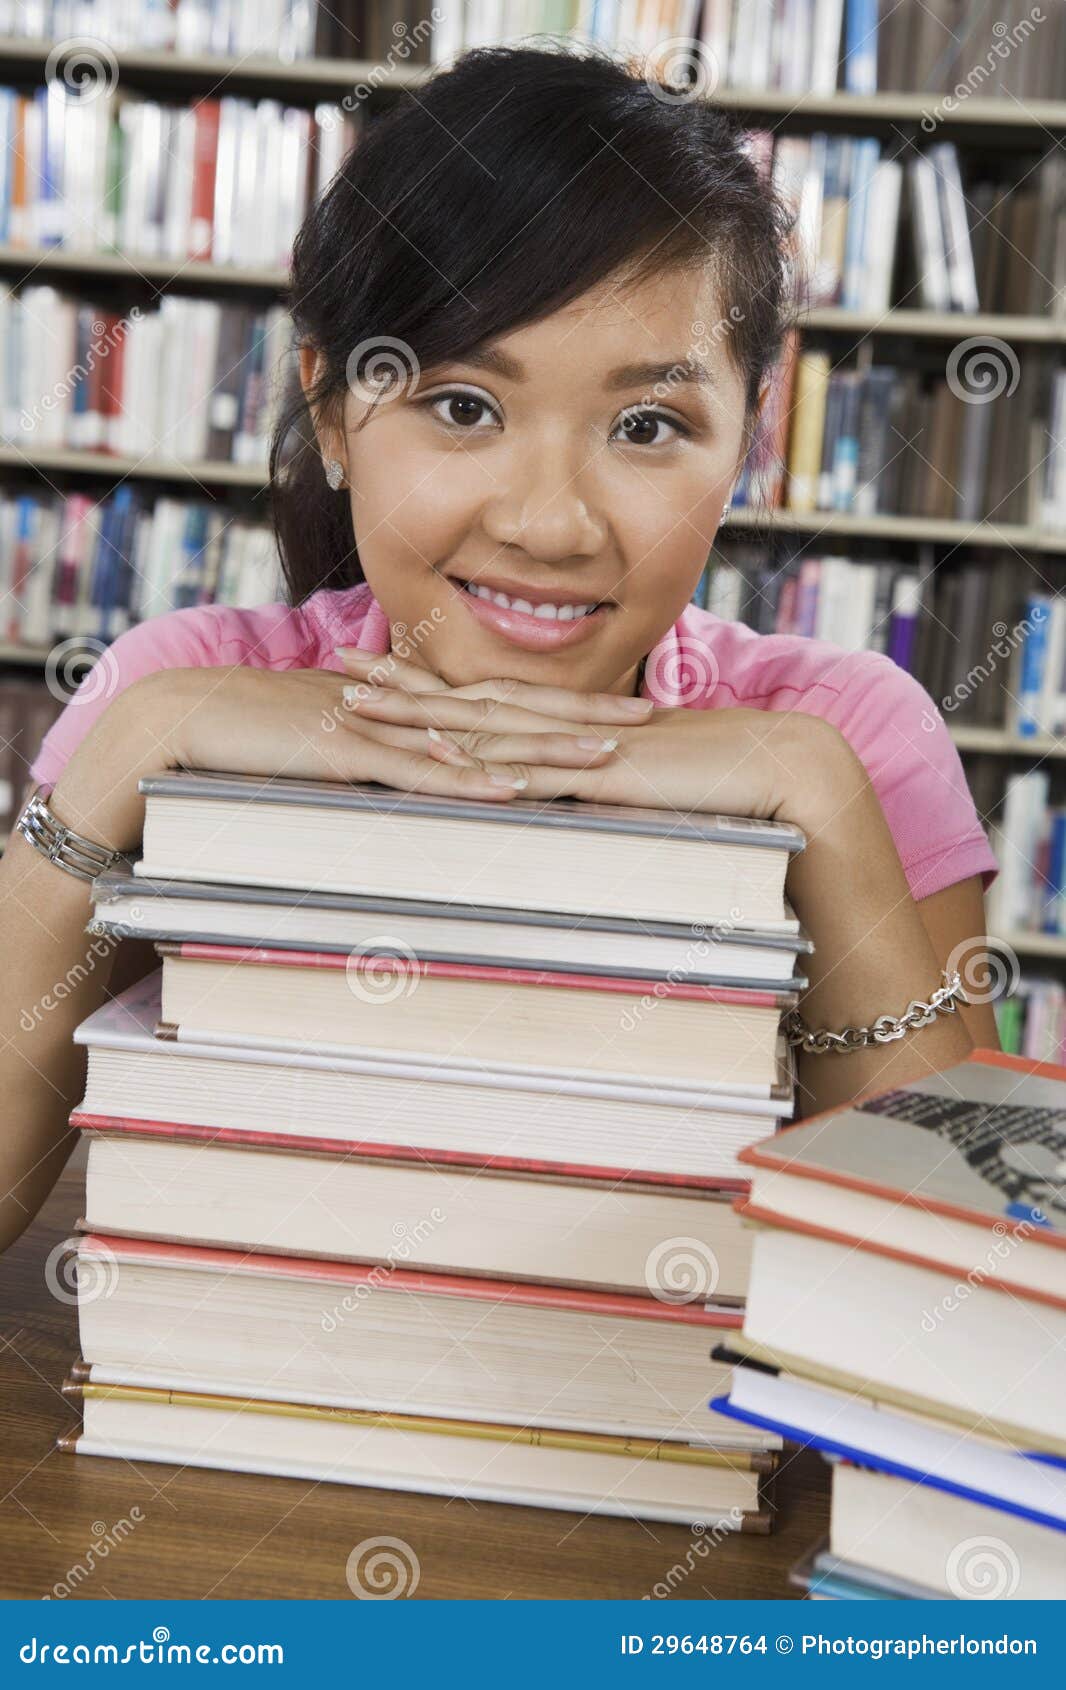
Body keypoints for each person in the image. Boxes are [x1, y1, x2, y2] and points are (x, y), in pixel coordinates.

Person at [0, 44, 998, 1253]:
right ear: (332, 411)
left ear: (747, 438)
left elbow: (955, 1268)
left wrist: (816, 796)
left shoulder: (847, 732)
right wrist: (134, 743)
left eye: (648, 425)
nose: (549, 526)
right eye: (463, 405)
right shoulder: (180, 689)